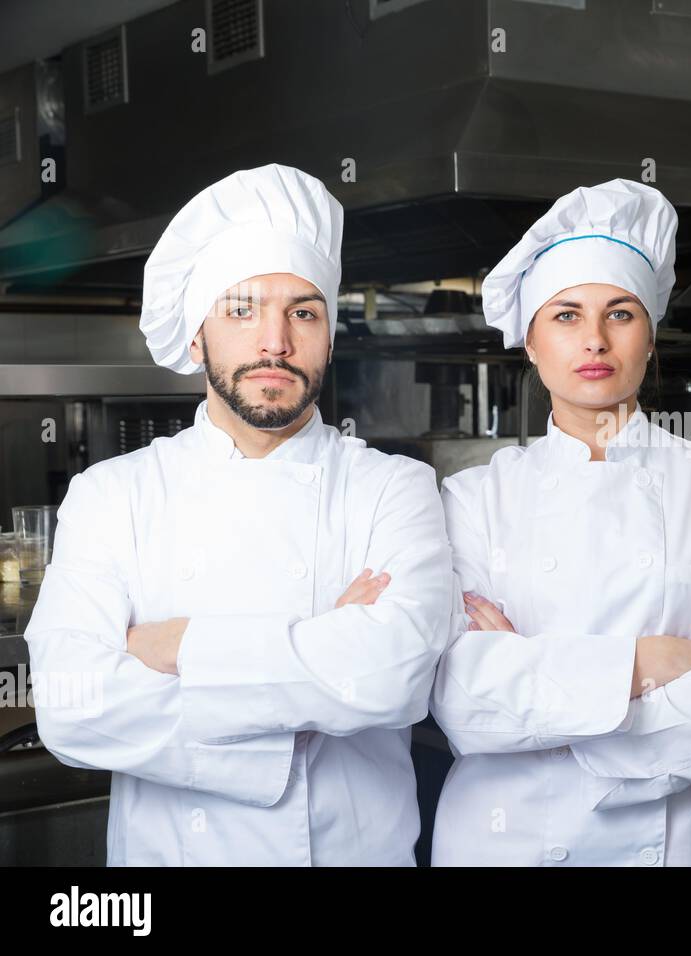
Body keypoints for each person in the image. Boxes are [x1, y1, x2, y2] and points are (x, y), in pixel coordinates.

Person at [24, 164, 453, 866]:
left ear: (329, 337)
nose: (275, 342)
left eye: (304, 312)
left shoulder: (394, 489)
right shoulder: (113, 494)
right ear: (196, 338)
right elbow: (71, 709)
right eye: (242, 309)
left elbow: (391, 677)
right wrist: (317, 663)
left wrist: (175, 646)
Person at [428, 178, 691, 866]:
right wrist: (650, 662)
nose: (594, 339)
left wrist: (547, 705)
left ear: (650, 337)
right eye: (565, 315)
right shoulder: (472, 498)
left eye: (620, 313)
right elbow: (464, 705)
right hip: (504, 843)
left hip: (674, 845)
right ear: (530, 342)